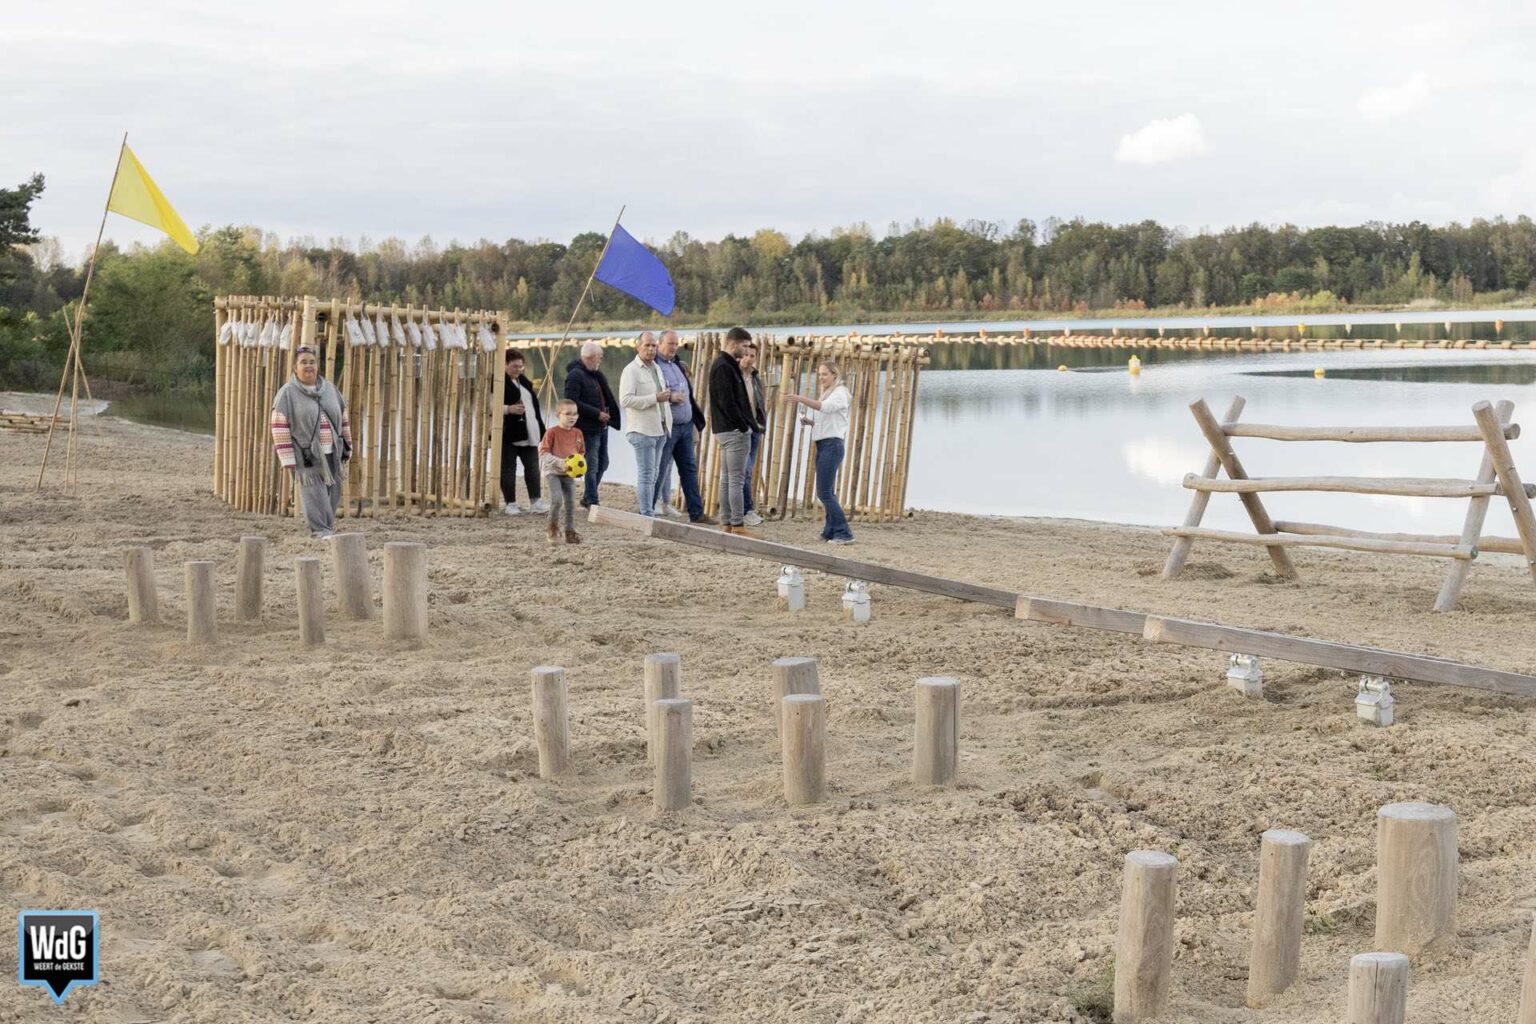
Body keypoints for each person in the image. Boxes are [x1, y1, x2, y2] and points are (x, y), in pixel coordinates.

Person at [271, 346, 353, 539]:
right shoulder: (287, 394)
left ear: (318, 365)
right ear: (294, 367)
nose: (309, 366)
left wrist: (348, 444)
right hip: (306, 454)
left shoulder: (330, 390)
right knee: (314, 493)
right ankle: (320, 530)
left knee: (332, 490)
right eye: (303, 362)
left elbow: (344, 417)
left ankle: (327, 527)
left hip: (332, 450)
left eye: (312, 362)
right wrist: (287, 458)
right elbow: (279, 424)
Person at [784, 360, 854, 545]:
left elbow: (825, 408)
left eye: (824, 374)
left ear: (834, 375)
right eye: (819, 374)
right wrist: (810, 422)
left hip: (832, 445)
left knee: (824, 493)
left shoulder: (840, 393)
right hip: (825, 444)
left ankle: (844, 533)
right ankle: (830, 531)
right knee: (827, 491)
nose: (821, 377)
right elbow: (828, 420)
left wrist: (799, 398)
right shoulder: (829, 393)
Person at [653, 330, 715, 523]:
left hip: (685, 426)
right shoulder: (654, 366)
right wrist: (670, 396)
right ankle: (647, 509)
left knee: (689, 468)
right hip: (668, 427)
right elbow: (651, 392)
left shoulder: (678, 365)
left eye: (676, 344)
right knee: (660, 469)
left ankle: (697, 513)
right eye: (670, 343)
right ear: (659, 343)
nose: (674, 347)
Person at [708, 326, 758, 535]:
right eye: (744, 346)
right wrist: (744, 425)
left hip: (726, 429)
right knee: (735, 479)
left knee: (727, 478)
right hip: (733, 430)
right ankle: (737, 523)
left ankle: (727, 522)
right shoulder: (724, 367)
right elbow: (727, 401)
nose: (747, 351)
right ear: (733, 343)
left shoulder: (726, 365)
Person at [618, 331, 674, 516]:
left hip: (660, 428)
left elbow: (660, 397)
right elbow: (625, 400)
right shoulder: (630, 370)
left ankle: (649, 509)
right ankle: (646, 512)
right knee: (646, 474)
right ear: (638, 346)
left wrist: (666, 397)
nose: (651, 349)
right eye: (647, 346)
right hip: (642, 430)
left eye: (653, 346)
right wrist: (654, 398)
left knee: (655, 473)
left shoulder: (657, 368)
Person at [563, 341, 620, 508]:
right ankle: (592, 500)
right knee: (592, 463)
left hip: (602, 426)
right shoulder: (575, 375)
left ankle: (588, 495)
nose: (600, 361)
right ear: (592, 357)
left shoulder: (595, 375)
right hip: (588, 427)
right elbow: (571, 401)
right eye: (600, 358)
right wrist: (596, 413)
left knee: (603, 463)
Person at [500, 348, 548, 516]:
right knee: (508, 468)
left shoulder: (524, 381)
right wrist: (508, 409)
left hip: (529, 432)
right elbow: (488, 405)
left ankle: (536, 501)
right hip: (508, 433)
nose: (518, 370)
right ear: (504, 365)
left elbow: (532, 407)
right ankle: (510, 503)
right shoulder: (498, 382)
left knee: (533, 467)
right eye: (514, 366)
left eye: (521, 366)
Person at [538, 399, 586, 545]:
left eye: (575, 414)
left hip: (569, 474)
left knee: (571, 503)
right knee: (557, 500)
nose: (572, 417)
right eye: (568, 414)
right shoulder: (551, 432)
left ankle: (570, 532)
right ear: (558, 414)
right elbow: (543, 453)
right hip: (553, 472)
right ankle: (552, 528)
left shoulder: (578, 433)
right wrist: (561, 463)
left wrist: (578, 466)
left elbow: (581, 453)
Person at [739, 340, 768, 527]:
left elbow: (759, 403)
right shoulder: (734, 376)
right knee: (744, 471)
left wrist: (761, 423)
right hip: (741, 429)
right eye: (746, 355)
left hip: (755, 428)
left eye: (752, 356)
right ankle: (746, 510)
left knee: (748, 471)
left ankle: (746, 509)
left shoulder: (755, 377)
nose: (749, 359)